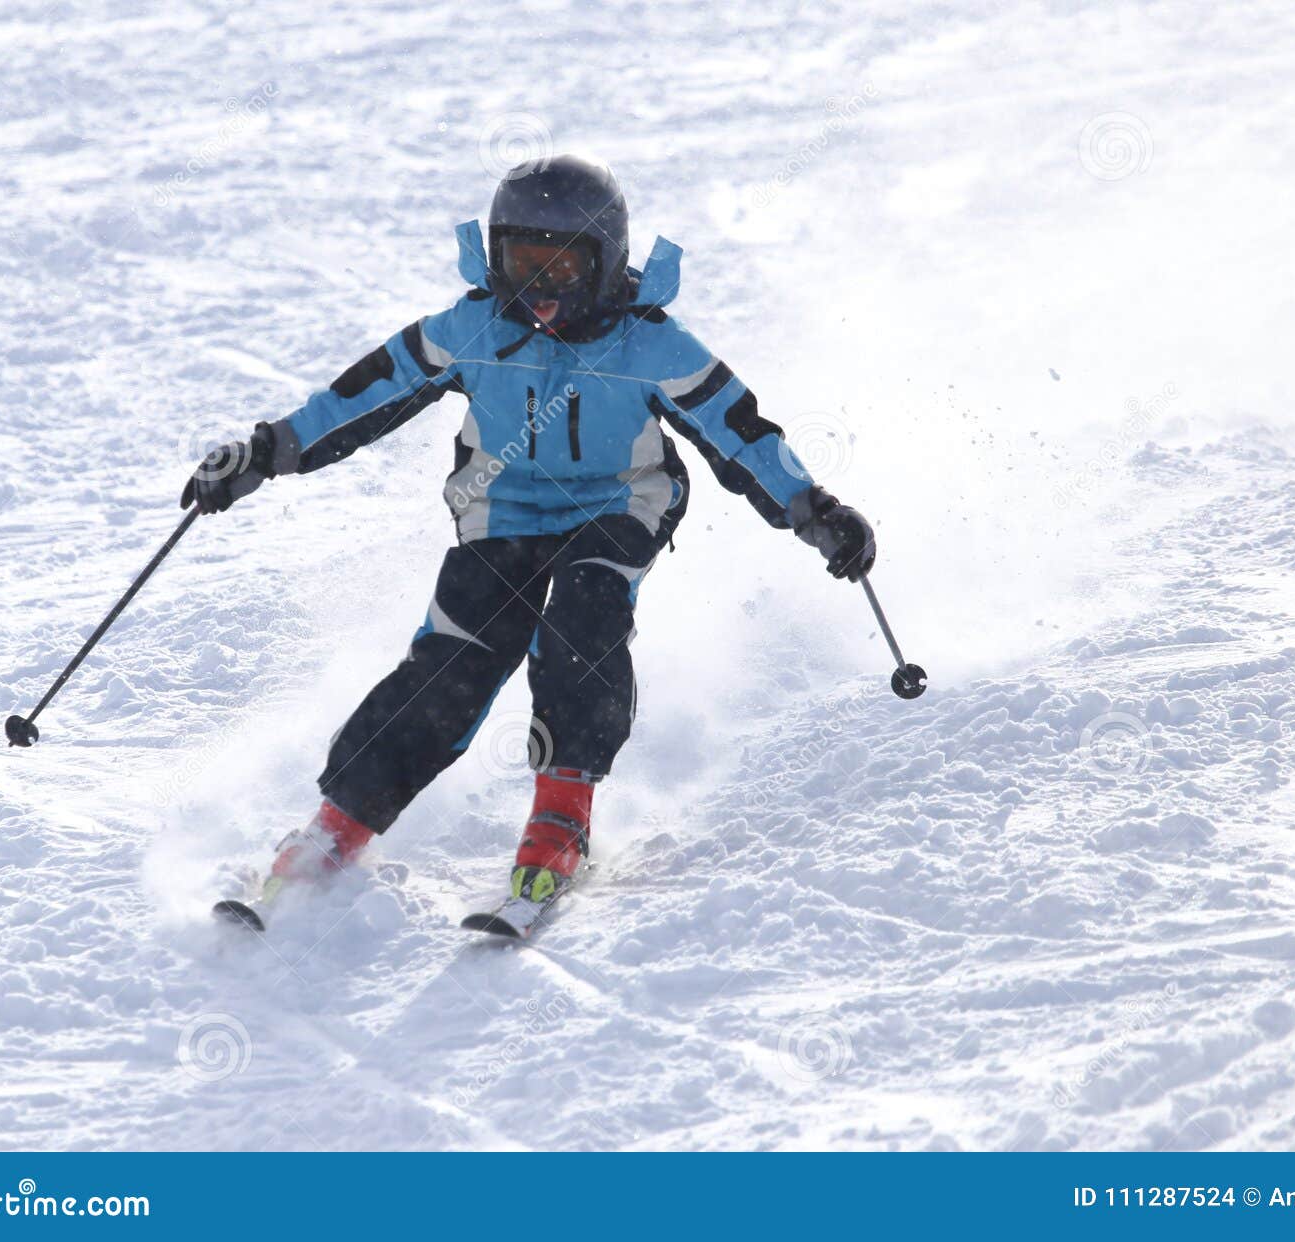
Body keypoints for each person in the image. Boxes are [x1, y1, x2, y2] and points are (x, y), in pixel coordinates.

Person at [184, 154, 875, 909]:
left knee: (585, 606)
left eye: (564, 267)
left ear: (605, 263)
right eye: (522, 262)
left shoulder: (652, 346)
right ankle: (339, 822)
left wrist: (814, 511)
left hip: (620, 503)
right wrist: (262, 453)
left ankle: (562, 810)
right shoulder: (472, 327)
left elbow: (739, 433)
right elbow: (364, 395)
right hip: (500, 506)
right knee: (459, 651)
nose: (541, 288)